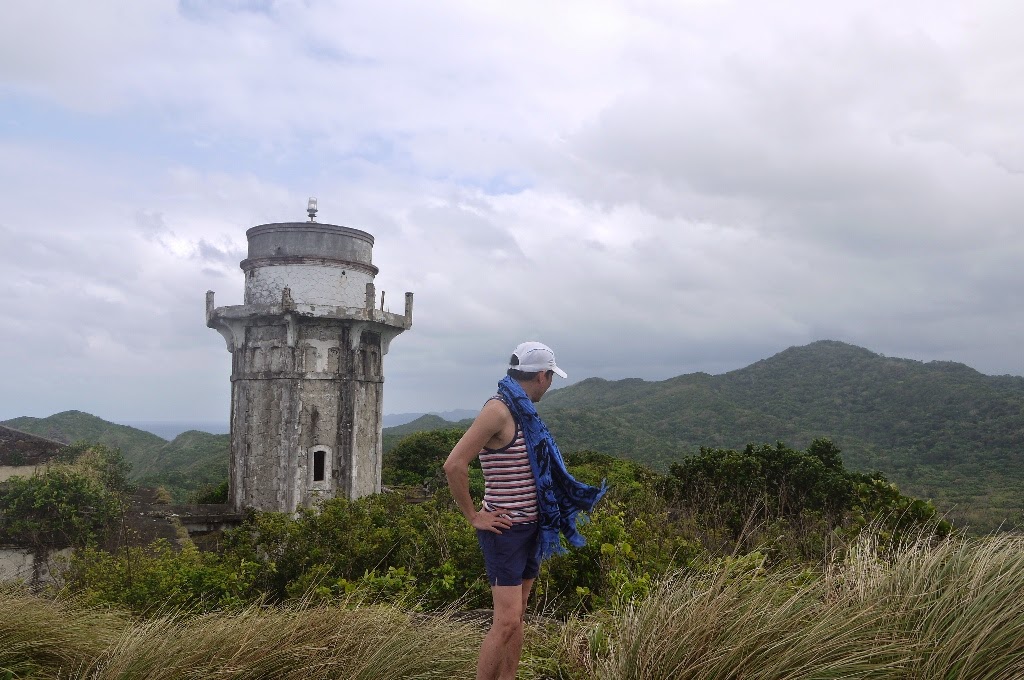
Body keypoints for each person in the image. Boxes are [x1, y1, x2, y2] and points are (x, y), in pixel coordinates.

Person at [444, 341, 605, 680]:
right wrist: (474, 516)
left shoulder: (524, 412)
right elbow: (454, 464)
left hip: (533, 527)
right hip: (505, 532)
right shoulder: (498, 410)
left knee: (516, 618)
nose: (550, 384)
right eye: (551, 377)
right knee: (505, 622)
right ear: (542, 376)